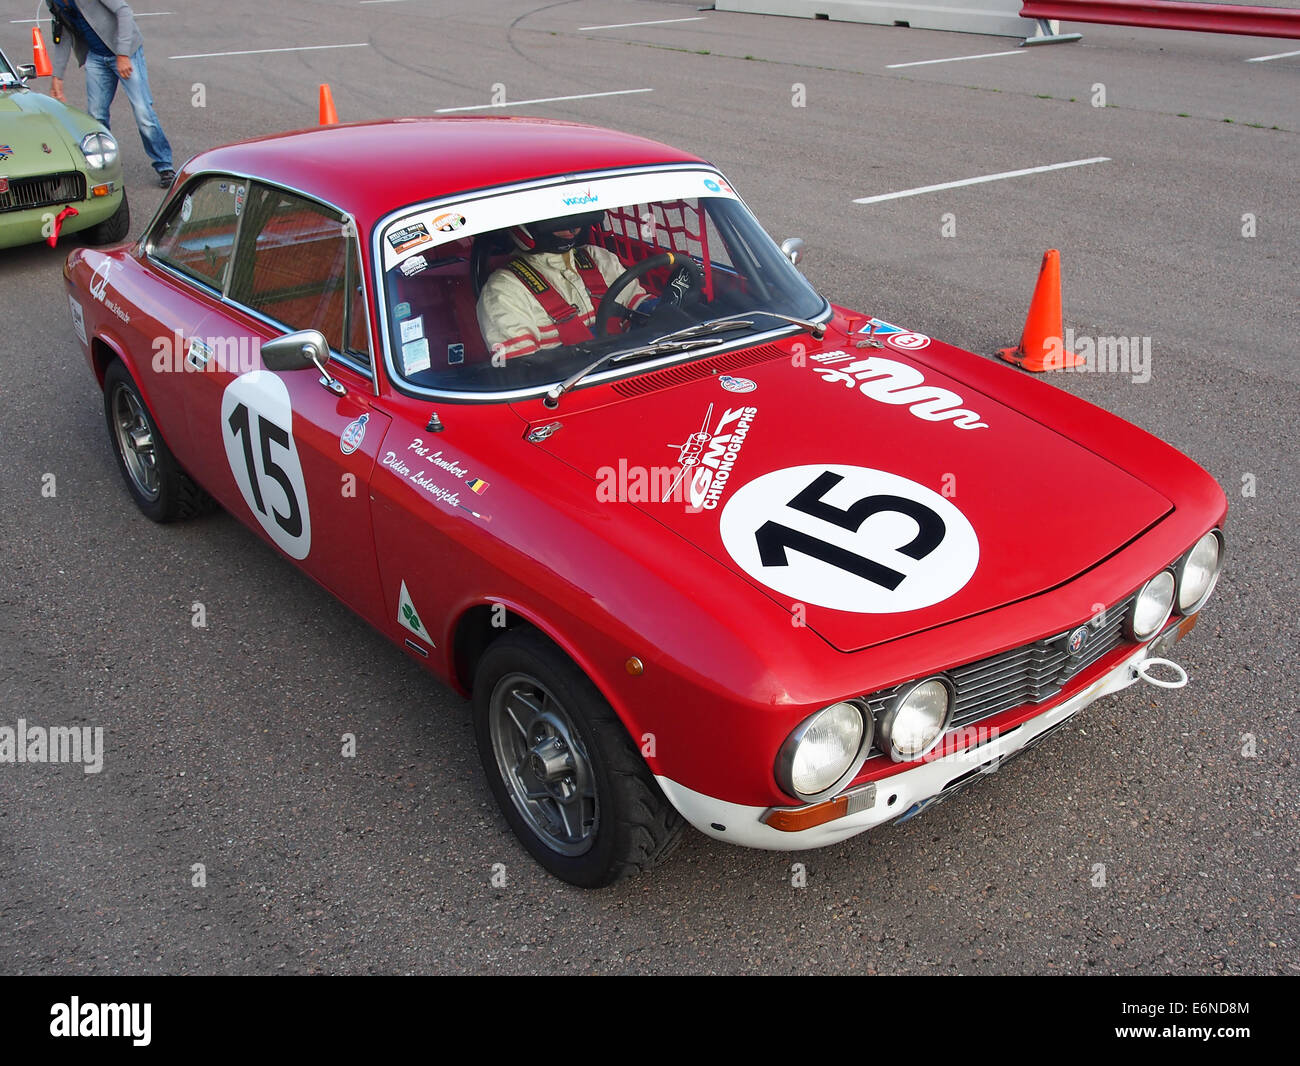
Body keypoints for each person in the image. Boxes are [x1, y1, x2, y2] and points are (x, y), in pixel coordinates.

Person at [477, 213, 654, 360]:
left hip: (634, 368)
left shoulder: (599, 258)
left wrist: (668, 305)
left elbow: (643, 311)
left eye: (576, 218)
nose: (572, 229)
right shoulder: (503, 290)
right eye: (559, 220)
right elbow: (524, 373)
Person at [46, 0, 175, 186]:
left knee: (143, 113)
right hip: (96, 57)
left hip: (124, 53)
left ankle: (165, 167)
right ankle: (104, 166)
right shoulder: (54, 2)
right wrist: (57, 77)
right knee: (96, 116)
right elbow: (63, 34)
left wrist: (122, 54)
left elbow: (124, 12)